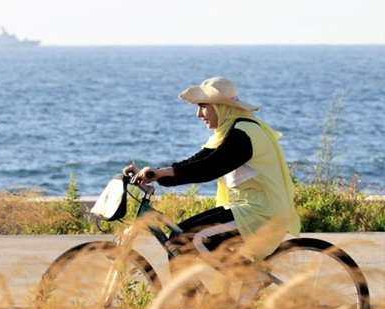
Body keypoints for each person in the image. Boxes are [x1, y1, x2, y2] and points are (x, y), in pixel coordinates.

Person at [123, 77, 301, 269]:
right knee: (179, 237)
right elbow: (197, 161)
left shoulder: (244, 134)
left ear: (220, 106)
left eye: (203, 106)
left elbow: (210, 167)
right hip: (246, 208)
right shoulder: (230, 131)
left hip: (261, 213)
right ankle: (192, 297)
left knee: (190, 238)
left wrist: (164, 173)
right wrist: (158, 174)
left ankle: (247, 279)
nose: (199, 114)